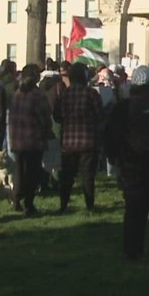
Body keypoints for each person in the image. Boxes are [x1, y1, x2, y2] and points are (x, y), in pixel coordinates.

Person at [106, 66, 149, 260]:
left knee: (134, 211)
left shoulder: (123, 107)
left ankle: (132, 249)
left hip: (132, 166)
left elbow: (112, 136)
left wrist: (115, 159)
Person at [53, 63, 105, 213]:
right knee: (88, 176)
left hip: (68, 141)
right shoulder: (91, 93)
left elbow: (56, 115)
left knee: (67, 176)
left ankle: (63, 205)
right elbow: (99, 115)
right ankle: (89, 204)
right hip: (88, 140)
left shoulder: (64, 94)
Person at [7, 66, 54, 217]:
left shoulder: (17, 94)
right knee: (32, 173)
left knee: (19, 171)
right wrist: (47, 131)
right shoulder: (38, 95)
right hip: (34, 138)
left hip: (17, 138)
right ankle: (29, 203)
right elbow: (45, 118)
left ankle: (16, 198)